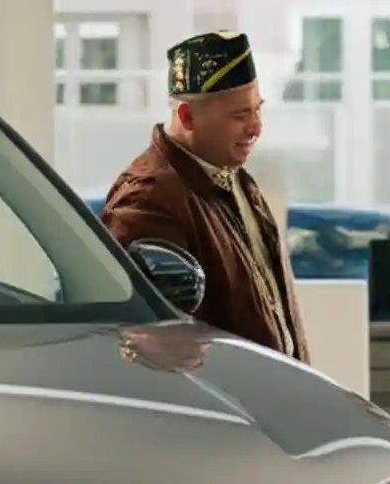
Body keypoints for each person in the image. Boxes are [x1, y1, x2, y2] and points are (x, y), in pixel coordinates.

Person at [101, 31, 308, 363]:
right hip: (222, 410)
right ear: (186, 117)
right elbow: (147, 344)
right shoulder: (149, 197)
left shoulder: (236, 179)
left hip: (266, 402)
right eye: (240, 116)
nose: (256, 127)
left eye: (258, 110)